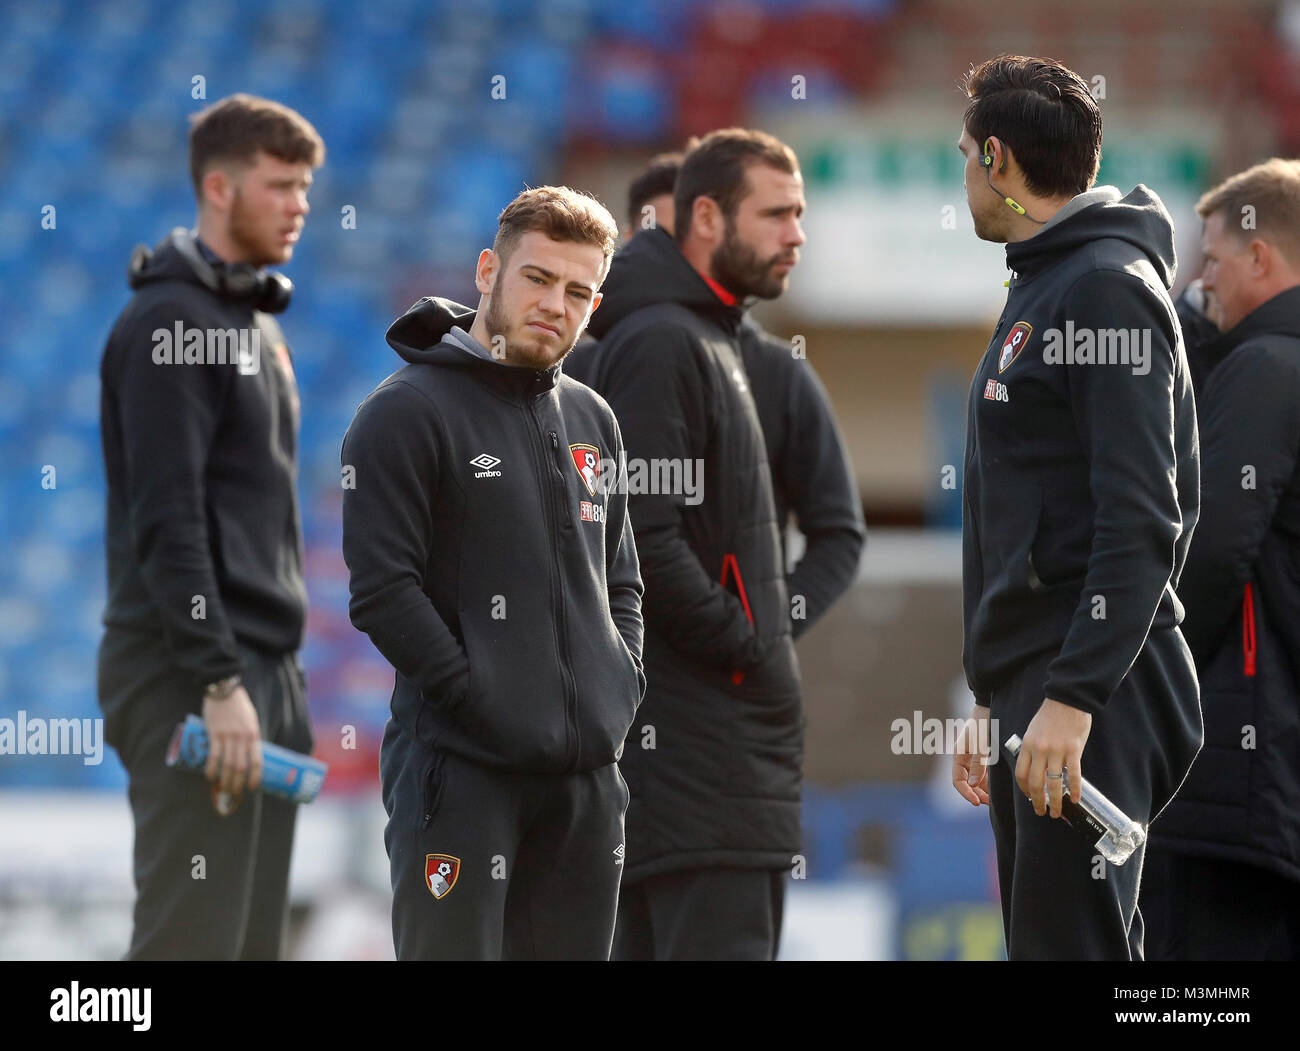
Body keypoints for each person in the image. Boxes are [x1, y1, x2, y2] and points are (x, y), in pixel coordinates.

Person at [341, 186, 645, 960]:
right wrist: (482, 699)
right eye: (537, 278)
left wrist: (619, 686)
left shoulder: (593, 419)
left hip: (587, 783)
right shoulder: (404, 412)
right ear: (488, 270)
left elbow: (622, 584)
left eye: (578, 290)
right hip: (462, 775)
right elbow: (383, 592)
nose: (555, 303)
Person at [949, 55, 1201, 960]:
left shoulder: (1102, 284)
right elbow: (1027, 513)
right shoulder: (1051, 281)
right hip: (1047, 677)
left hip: (1097, 684)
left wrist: (1074, 693)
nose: (966, 177)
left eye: (967, 156)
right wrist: (995, 689)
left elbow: (1141, 518)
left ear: (998, 159)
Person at [567, 128, 806, 960]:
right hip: (706, 769)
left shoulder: (700, 333)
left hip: (709, 764)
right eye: (776, 214)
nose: (796, 235)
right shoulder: (665, 339)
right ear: (706, 217)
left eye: (799, 214)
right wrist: (750, 651)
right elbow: (644, 538)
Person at [98, 94, 323, 959]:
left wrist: (265, 685)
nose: (300, 203)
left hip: (260, 673)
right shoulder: (171, 322)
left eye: (307, 186)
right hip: (193, 674)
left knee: (247, 947)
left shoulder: (255, 320)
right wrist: (220, 682)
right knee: (188, 946)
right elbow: (169, 521)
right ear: (219, 188)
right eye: (280, 185)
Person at [1142, 159, 1300, 960]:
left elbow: (1205, 553)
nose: (1201, 281)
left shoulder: (1264, 368)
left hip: (1235, 781)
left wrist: (1143, 688)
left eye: (1213, 259)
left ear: (1261, 258)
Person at [617, 149, 866, 648]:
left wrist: (760, 632)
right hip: (610, 698)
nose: (680, 256)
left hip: (726, 697)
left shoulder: (778, 370)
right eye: (664, 239)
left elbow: (838, 531)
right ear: (629, 241)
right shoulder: (574, 368)